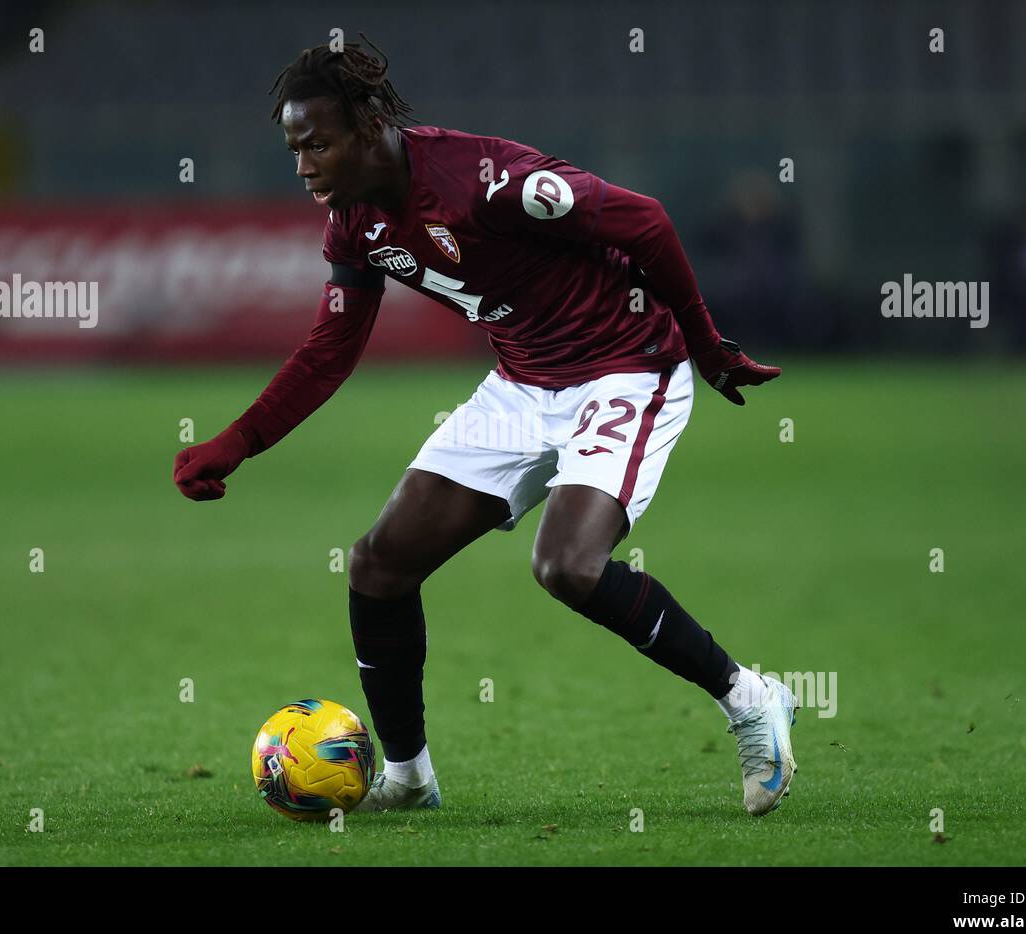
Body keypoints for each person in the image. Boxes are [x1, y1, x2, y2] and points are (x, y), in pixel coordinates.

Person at [173, 37, 796, 816]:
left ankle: (749, 698)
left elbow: (645, 221)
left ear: (368, 126)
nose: (303, 164)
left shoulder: (485, 181)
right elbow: (331, 350)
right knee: (378, 565)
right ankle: (407, 777)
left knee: (567, 565)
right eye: (295, 147)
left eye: (317, 143)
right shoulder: (354, 224)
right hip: (523, 383)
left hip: (624, 368)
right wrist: (237, 443)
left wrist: (705, 346)